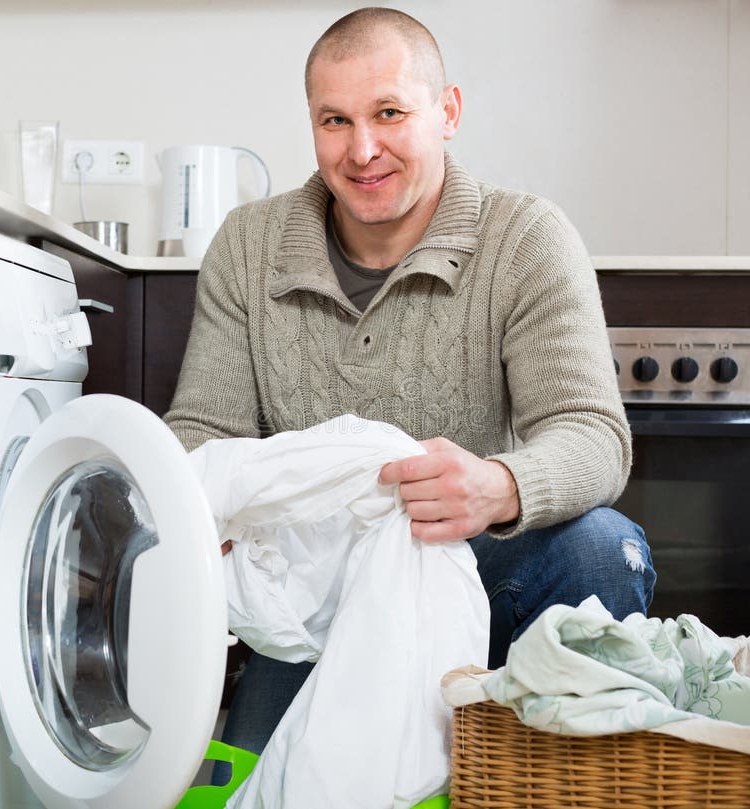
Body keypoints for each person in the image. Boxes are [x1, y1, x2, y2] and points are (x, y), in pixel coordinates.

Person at [164, 6, 655, 761]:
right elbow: (199, 433)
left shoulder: (526, 238)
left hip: (479, 575)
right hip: (313, 610)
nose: (362, 150)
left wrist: (498, 485)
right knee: (266, 778)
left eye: (389, 112)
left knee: (600, 546)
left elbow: (593, 433)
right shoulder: (249, 246)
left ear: (447, 111)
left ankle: (537, 763)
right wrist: (214, 526)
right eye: (335, 120)